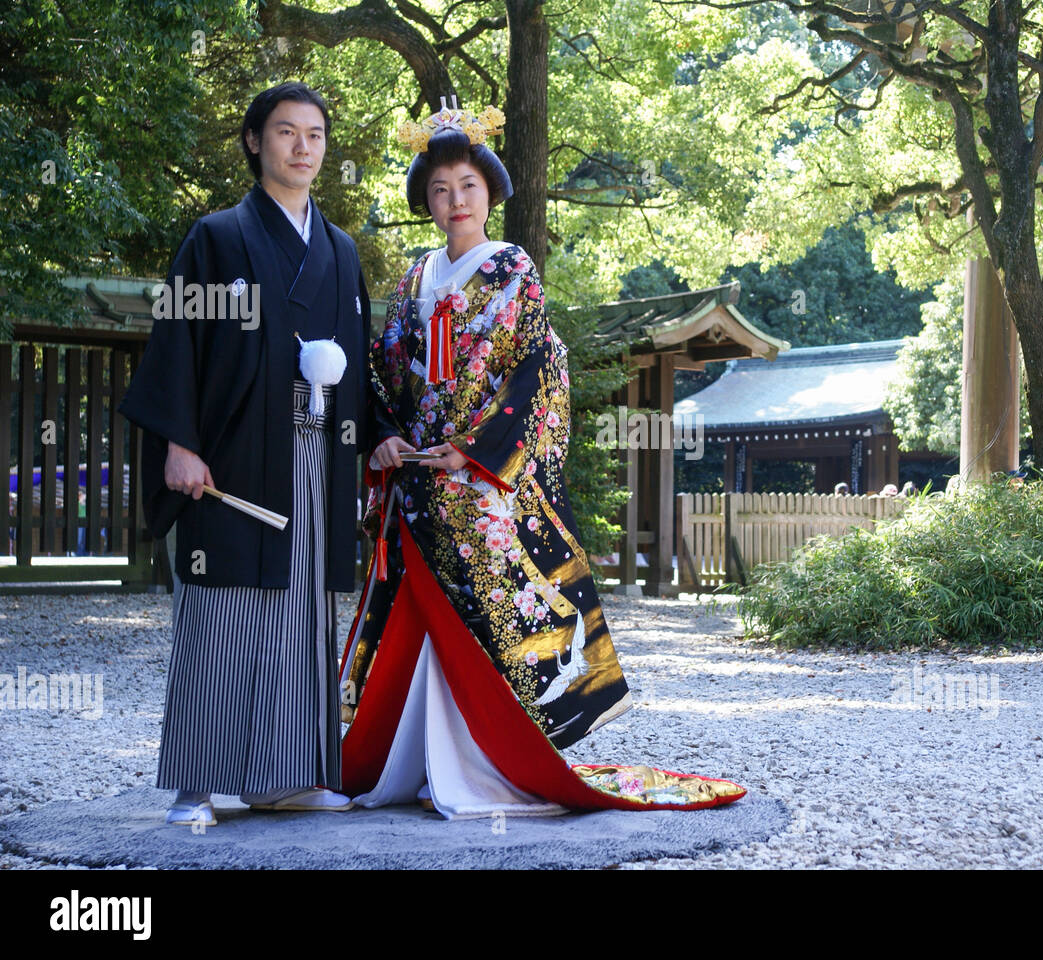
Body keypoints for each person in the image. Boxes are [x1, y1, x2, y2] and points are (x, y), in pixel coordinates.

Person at [340, 99, 745, 816]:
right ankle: (410, 765)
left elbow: (537, 370)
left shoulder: (511, 271)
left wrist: (475, 450)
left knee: (491, 621)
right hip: (417, 482)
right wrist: (385, 436)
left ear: (489, 191)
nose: (454, 201)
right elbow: (383, 370)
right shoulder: (411, 280)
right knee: (419, 620)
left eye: (467, 185)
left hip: (479, 483)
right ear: (426, 202)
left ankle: (484, 767)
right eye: (439, 190)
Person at [118, 83, 371, 826]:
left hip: (314, 450)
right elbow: (176, 349)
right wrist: (180, 444)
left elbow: (360, 363)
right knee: (221, 608)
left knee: (300, 615)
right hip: (227, 457)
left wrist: (365, 448)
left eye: (316, 134)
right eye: (286, 132)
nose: (302, 146)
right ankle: (197, 783)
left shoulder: (339, 249)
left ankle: (285, 776)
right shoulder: (218, 237)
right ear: (256, 141)